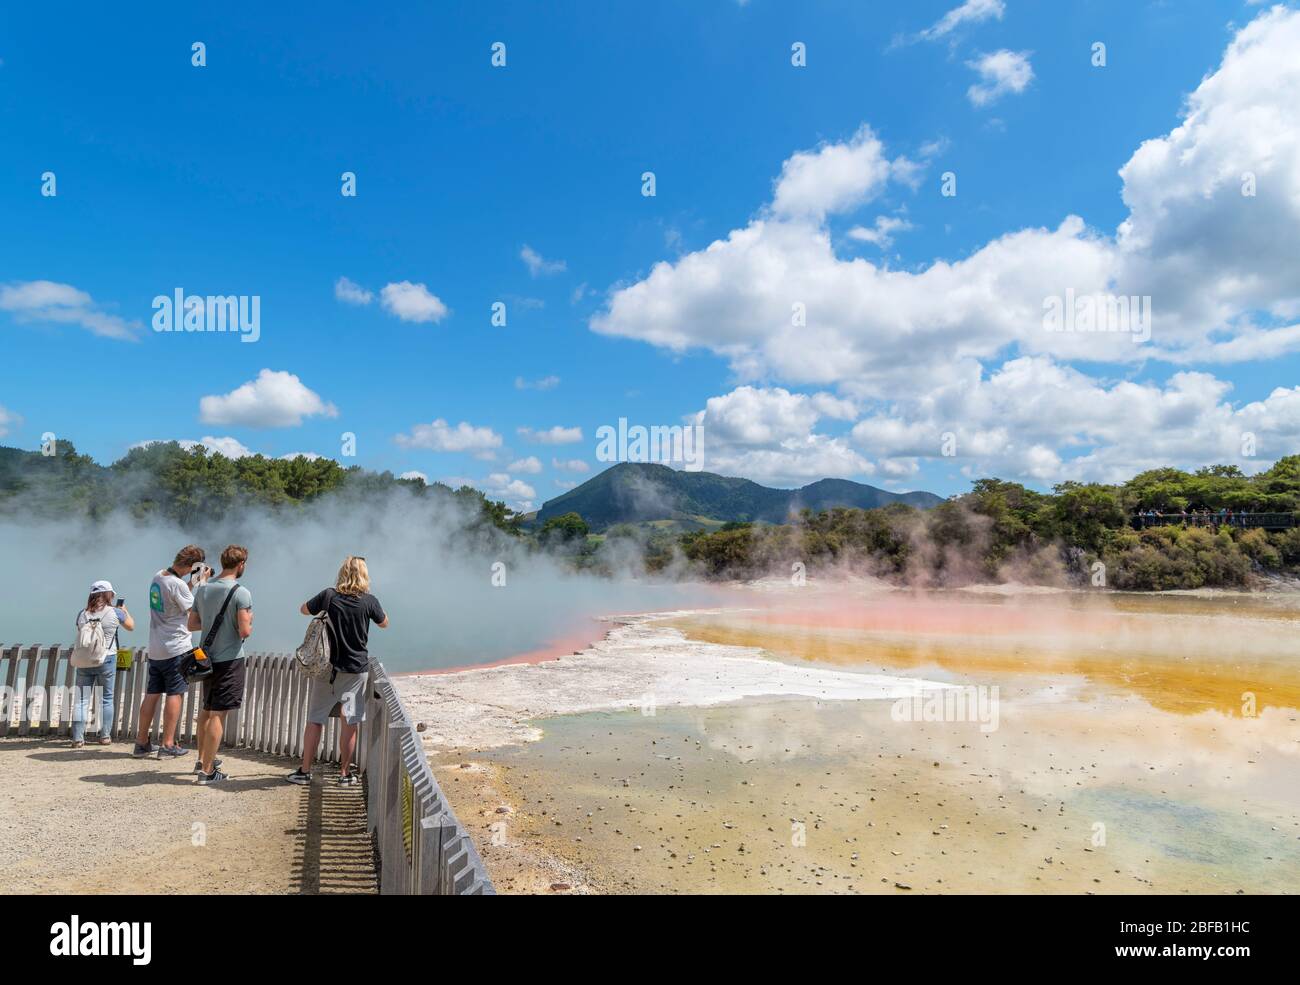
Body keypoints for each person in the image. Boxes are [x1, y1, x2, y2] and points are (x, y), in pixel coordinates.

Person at [287, 556, 388, 787]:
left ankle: (304, 771)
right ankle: (344, 774)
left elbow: (303, 609)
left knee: (315, 720)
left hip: (327, 671)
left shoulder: (329, 596)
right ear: (364, 575)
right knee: (349, 722)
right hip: (355, 672)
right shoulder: (369, 601)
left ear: (342, 573)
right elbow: (385, 623)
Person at [135, 545, 209, 759]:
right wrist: (202, 583)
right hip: (176, 648)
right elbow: (194, 614)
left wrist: (193, 581)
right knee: (175, 693)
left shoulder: (159, 576)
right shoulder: (178, 585)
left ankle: (141, 743)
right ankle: (167, 743)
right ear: (192, 566)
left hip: (156, 647)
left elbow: (178, 593)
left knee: (152, 694)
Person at [189, 545, 253, 786]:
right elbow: (244, 630)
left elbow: (192, 624)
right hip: (230, 659)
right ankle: (207, 771)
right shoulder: (241, 592)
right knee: (218, 715)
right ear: (241, 565)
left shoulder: (204, 590)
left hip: (207, 659)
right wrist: (249, 622)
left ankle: (202, 759)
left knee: (206, 711)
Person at [71, 581, 135, 747]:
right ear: (109, 595)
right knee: (106, 699)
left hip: (84, 661)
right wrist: (124, 611)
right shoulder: (115, 612)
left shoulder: (82, 614)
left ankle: (78, 739)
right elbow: (131, 626)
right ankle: (105, 736)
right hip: (107, 658)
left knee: (81, 700)